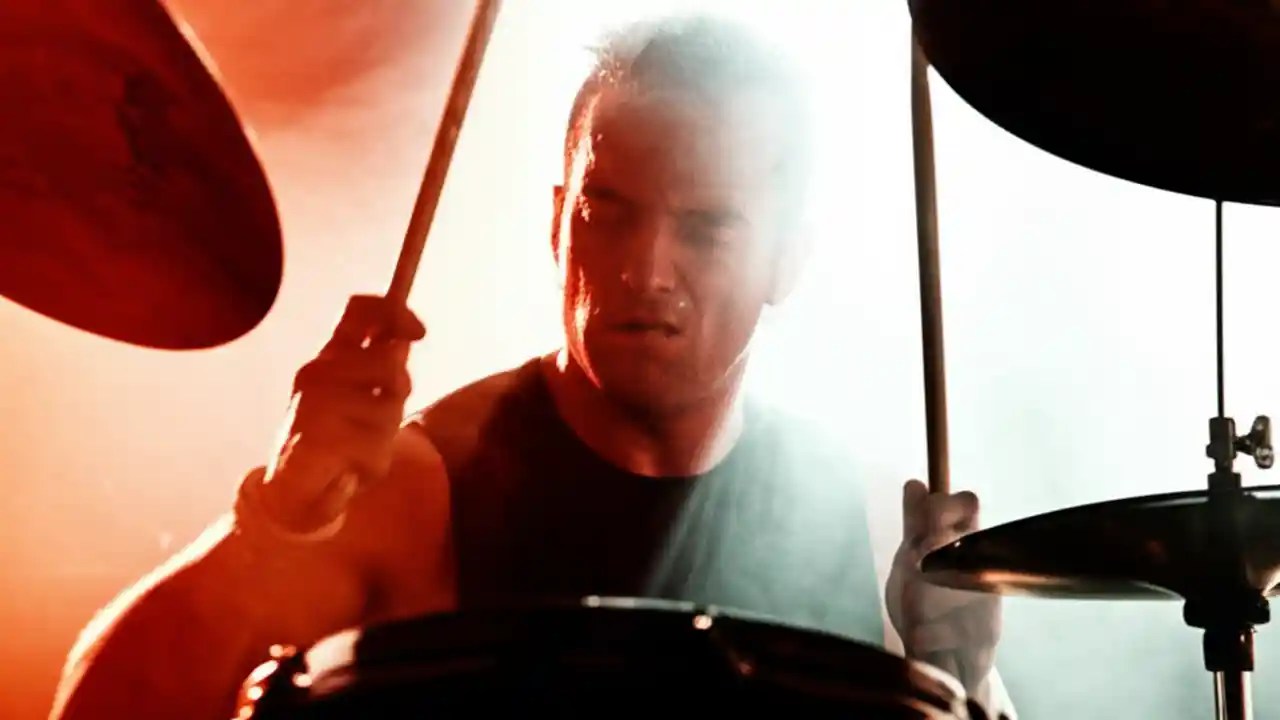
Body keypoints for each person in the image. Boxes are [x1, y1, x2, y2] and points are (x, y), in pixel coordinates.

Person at [50, 13, 1013, 720]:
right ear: (556, 220)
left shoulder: (856, 519)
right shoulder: (418, 488)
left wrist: (969, 682)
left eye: (706, 227)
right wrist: (279, 521)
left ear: (788, 260)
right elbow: (99, 707)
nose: (645, 268)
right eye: (609, 210)